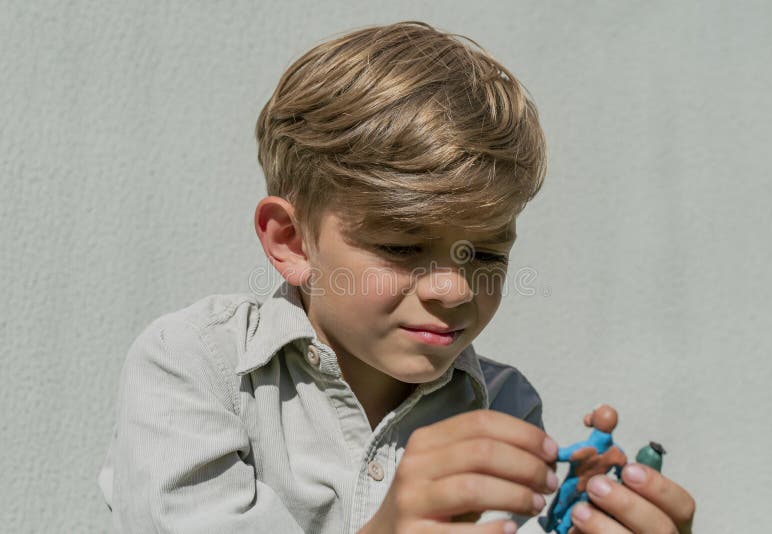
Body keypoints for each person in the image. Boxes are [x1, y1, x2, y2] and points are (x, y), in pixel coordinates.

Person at [96, 20, 695, 534]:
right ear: (291, 241)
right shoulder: (193, 367)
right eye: (403, 247)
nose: (455, 289)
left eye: (487, 255)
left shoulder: (507, 406)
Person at [538, 404, 627, 534]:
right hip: (589, 488)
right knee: (575, 509)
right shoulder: (618, 453)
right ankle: (563, 529)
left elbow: (559, 455)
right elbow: (622, 471)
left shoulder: (583, 449)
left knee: (558, 506)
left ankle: (549, 523)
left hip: (572, 484)